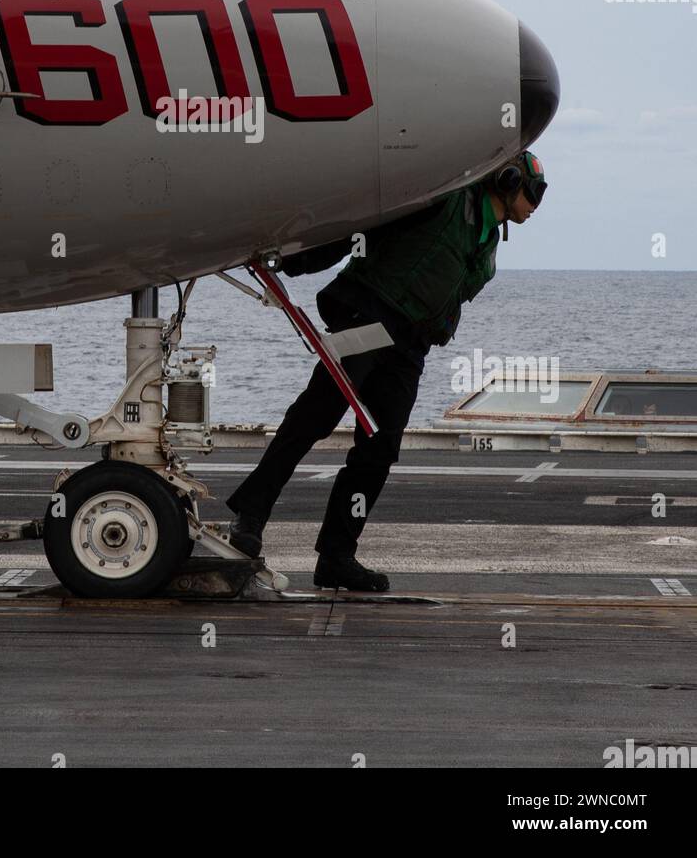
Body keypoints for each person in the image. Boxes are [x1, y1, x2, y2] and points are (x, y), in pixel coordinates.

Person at [227, 151, 548, 591]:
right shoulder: (444, 199)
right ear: (508, 180)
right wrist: (292, 261)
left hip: (409, 347)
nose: (536, 202)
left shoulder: (488, 244)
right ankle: (251, 517)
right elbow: (361, 232)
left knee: (379, 450)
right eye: (535, 191)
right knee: (315, 416)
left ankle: (337, 557)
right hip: (370, 316)